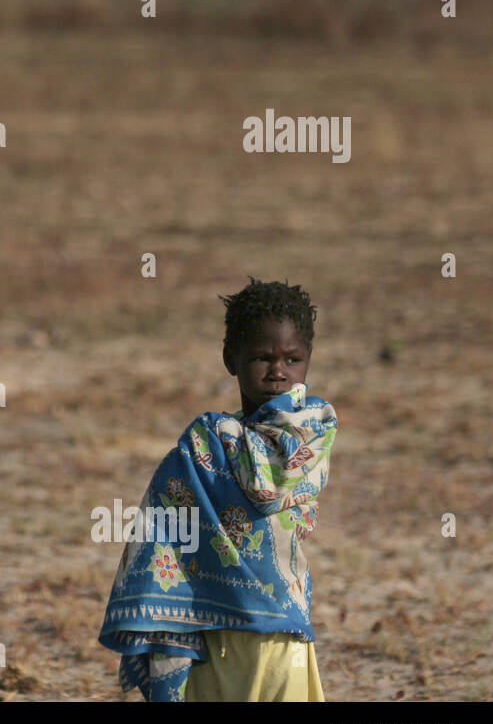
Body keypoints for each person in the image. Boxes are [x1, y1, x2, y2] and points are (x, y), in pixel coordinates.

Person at [98, 278, 338, 701]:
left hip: (280, 632)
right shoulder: (202, 448)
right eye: (263, 357)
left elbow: (272, 491)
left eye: (293, 359)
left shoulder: (312, 432)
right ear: (231, 359)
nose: (278, 371)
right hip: (208, 634)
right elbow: (163, 529)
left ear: (309, 361)